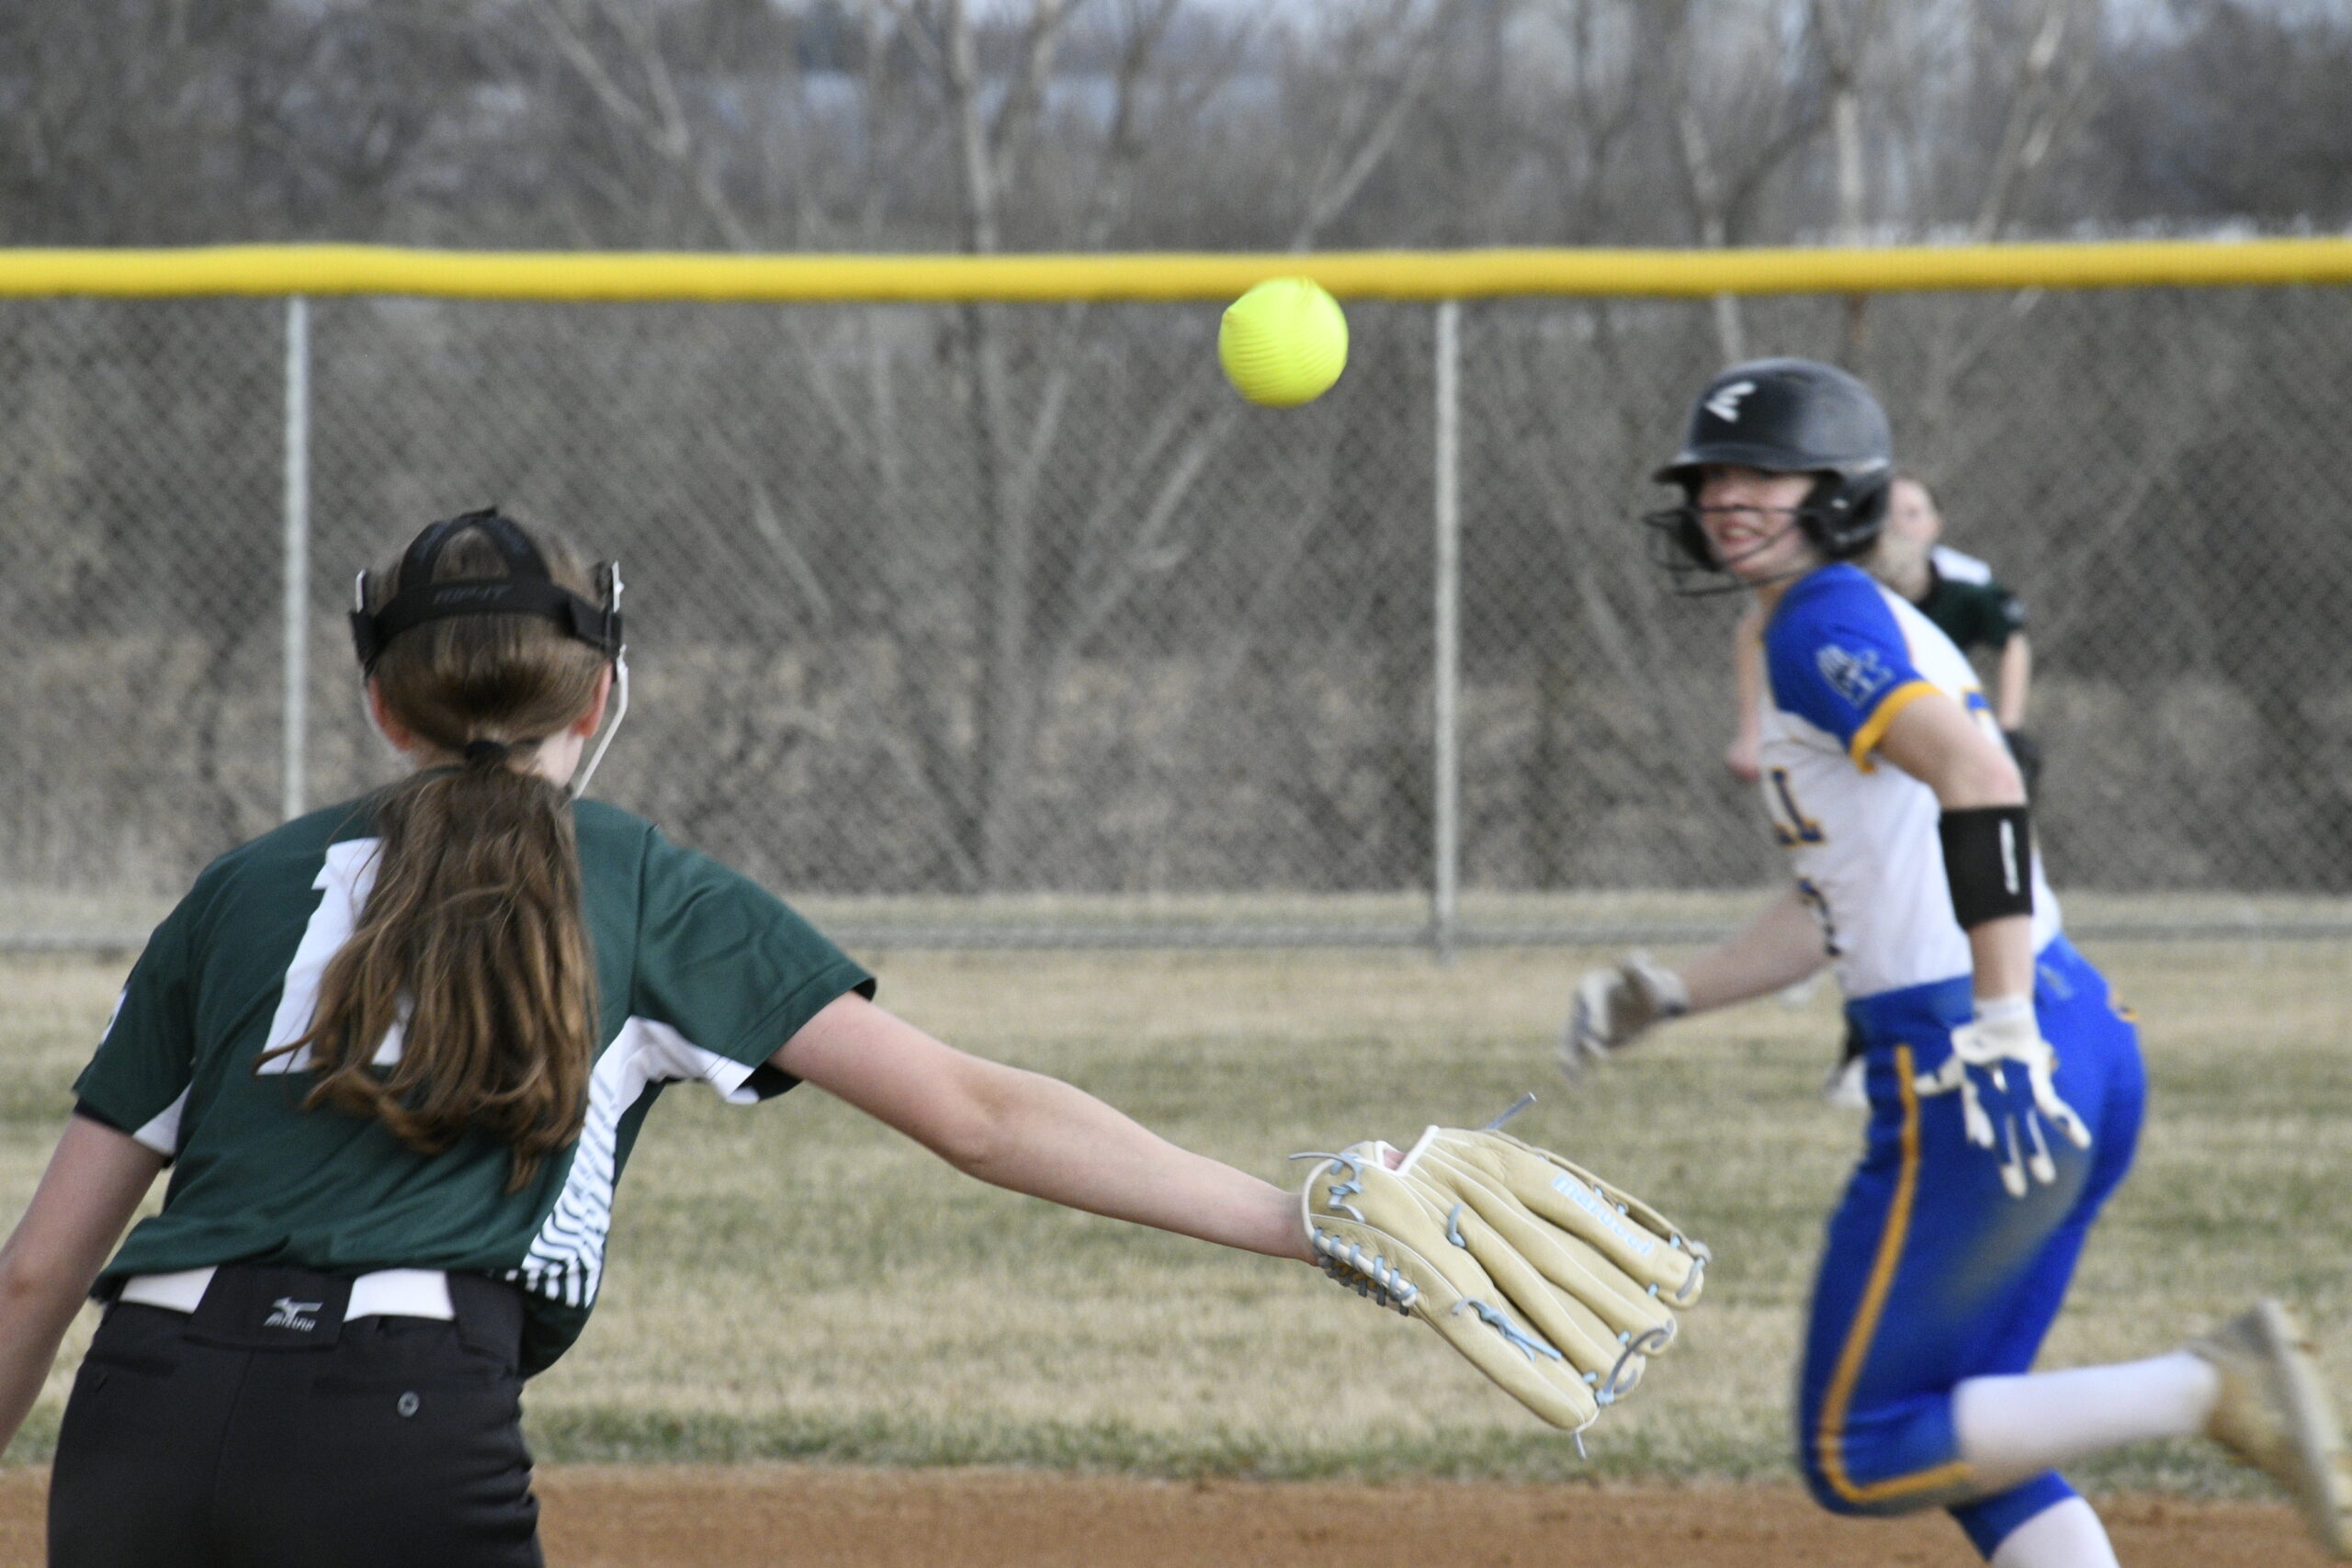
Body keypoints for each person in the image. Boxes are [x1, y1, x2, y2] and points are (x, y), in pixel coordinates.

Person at [0, 510, 1322, 1568]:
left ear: (382, 705)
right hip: (392, 1417)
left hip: (144, 1405)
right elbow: (976, 1112)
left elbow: (36, 1272)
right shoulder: (633, 880)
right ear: (601, 696)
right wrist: (1295, 1215)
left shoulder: (238, 886)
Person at [1562, 359, 2350, 1568]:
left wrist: (1992, 1025)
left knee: (1860, 1445)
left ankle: (2206, 1386)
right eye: (1714, 471)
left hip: (1979, 1046)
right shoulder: (1843, 622)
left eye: (1765, 470)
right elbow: (1849, 893)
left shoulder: (1821, 617)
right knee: (1970, 1424)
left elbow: (1982, 780)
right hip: (2072, 1025)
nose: (1729, 494)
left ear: (1844, 490)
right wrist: (1674, 990)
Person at [1725, 473, 2035, 792]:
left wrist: (2010, 725)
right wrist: (1751, 731)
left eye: (1912, 513)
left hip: (1945, 724)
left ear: (1935, 525)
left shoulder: (1965, 583)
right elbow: (1756, 625)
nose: (1898, 525)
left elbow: (2012, 640)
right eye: (1887, 514)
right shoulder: (1848, 586)